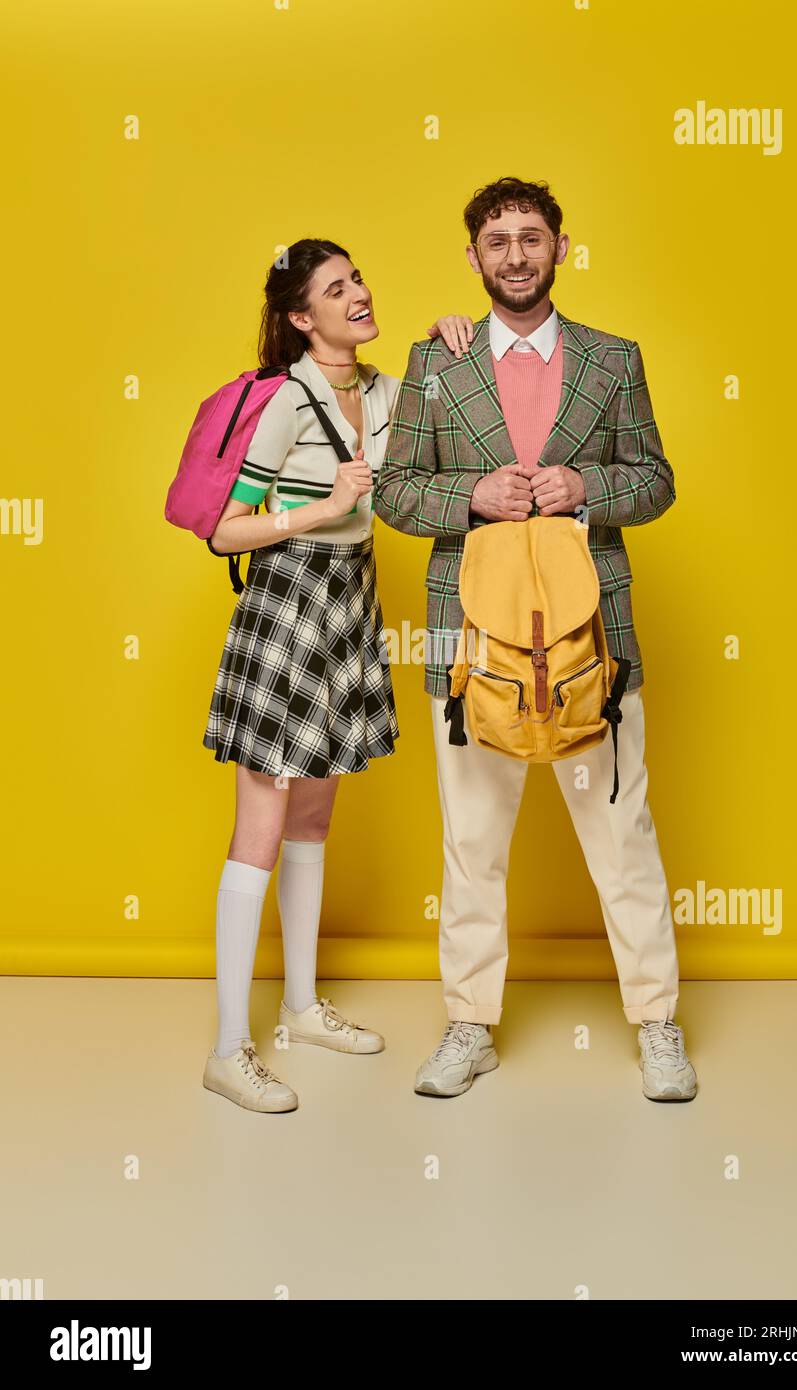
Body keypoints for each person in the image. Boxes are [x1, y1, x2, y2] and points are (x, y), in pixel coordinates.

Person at [376, 177, 698, 1103]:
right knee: (471, 846)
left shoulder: (614, 359)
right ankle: (469, 1024)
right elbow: (397, 490)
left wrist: (585, 486)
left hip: (593, 639)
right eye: (496, 241)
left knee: (623, 837)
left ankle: (656, 1022)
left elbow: (658, 478)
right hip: (473, 643)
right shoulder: (436, 362)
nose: (515, 255)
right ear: (473, 258)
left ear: (562, 246)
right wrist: (470, 496)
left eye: (531, 237)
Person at [200, 237, 474, 1112]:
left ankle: (302, 1007)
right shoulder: (285, 400)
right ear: (300, 317)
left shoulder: (388, 390)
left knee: (316, 807)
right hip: (287, 599)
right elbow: (225, 531)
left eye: (357, 278)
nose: (357, 294)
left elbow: (456, 403)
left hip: (351, 599)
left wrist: (445, 335)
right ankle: (229, 1047)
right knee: (265, 811)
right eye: (335, 288)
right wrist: (318, 508)